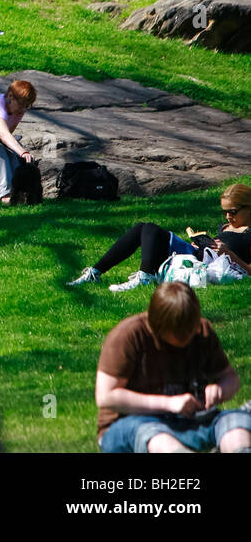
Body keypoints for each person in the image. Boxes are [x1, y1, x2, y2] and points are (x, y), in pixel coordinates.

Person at [95, 281, 251, 453]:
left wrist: (221, 389)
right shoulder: (129, 335)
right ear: (158, 325)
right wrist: (169, 404)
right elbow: (106, 396)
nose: (186, 336)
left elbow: (231, 378)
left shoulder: (202, 330)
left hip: (193, 421)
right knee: (157, 437)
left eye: (190, 330)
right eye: (179, 332)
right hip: (132, 424)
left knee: (236, 421)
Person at [68, 184, 251, 291]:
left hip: (203, 264)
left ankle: (145, 277)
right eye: (225, 212)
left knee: (151, 229)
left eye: (232, 212)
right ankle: (95, 272)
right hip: (192, 254)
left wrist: (228, 253)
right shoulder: (227, 226)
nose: (228, 217)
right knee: (143, 227)